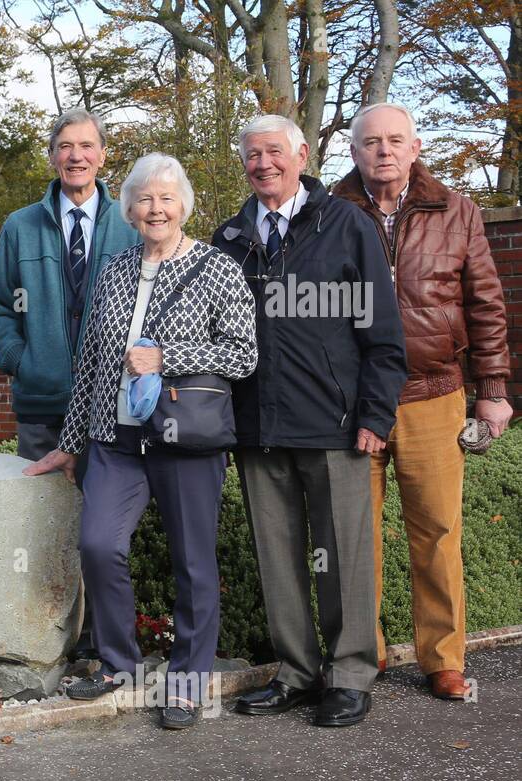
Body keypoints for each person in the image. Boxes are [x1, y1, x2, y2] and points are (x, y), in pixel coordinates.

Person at [25, 153, 257, 729]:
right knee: (99, 545)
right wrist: (71, 441)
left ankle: (186, 681)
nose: (156, 208)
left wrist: (168, 358)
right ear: (128, 210)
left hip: (185, 440)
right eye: (145, 199)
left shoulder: (217, 268)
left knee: (193, 563)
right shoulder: (114, 271)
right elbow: (91, 366)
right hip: (117, 442)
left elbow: (243, 354)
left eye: (167, 198)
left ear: (184, 206)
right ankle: (118, 663)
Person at [213, 114, 407, 728]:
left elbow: (383, 333)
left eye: (275, 152)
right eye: (252, 155)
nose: (263, 164)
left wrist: (375, 413)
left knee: (341, 556)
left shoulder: (345, 224)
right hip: (258, 427)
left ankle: (349, 674)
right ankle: (295, 672)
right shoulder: (228, 237)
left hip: (334, 424)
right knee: (278, 556)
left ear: (301, 154)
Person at [333, 103, 513, 701]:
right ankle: (365, 653)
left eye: (395, 141)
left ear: (414, 147)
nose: (383, 151)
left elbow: (485, 304)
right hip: (354, 401)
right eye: (370, 142)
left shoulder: (456, 210)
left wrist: (493, 391)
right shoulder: (328, 213)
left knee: (437, 531)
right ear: (353, 151)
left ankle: (443, 658)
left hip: (435, 394)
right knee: (354, 537)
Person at [0, 107, 139, 663]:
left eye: (86, 146)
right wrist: (22, 361)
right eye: (65, 146)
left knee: (105, 532)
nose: (76, 156)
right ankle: (50, 640)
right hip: (44, 405)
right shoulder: (21, 225)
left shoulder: (130, 221)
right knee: (47, 529)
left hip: (113, 406)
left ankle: (103, 642)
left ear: (102, 154)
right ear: (52, 155)